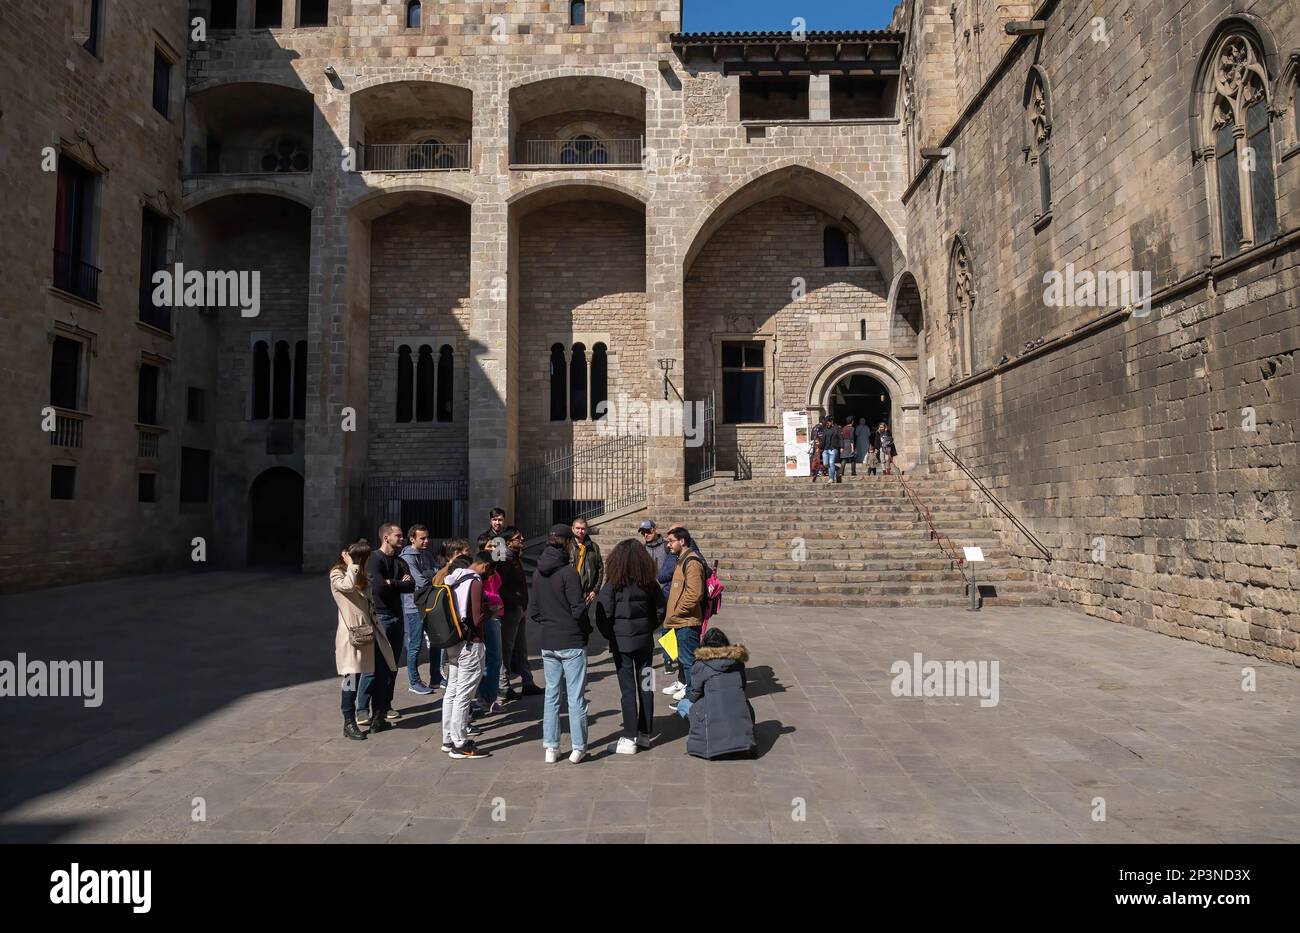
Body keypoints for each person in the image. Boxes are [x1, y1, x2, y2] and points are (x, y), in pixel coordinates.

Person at [530, 524, 591, 763]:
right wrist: (580, 627)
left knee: (552, 696)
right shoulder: (568, 572)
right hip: (570, 640)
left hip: (548, 640)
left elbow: (533, 611)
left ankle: (551, 747)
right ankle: (578, 747)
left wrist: (550, 619)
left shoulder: (537, 573)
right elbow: (578, 608)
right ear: (566, 543)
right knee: (575, 697)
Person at [596, 539, 661, 754]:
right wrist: (649, 627)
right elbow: (661, 609)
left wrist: (611, 634)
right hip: (645, 643)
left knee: (628, 689)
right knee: (647, 685)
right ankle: (645, 732)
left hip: (622, 644)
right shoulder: (649, 582)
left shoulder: (614, 583)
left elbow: (602, 612)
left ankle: (630, 735)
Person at [330, 540, 397, 740]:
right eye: (365, 558)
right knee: (351, 678)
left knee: (382, 671)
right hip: (353, 635)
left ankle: (379, 715)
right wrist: (352, 565)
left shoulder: (360, 574)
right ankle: (348, 721)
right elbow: (348, 587)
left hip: (372, 631)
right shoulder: (337, 574)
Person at [356, 523, 412, 730]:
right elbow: (378, 587)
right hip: (379, 617)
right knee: (373, 665)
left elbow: (411, 585)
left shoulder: (399, 561)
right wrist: (397, 583)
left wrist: (392, 583)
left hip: (397, 617)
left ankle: (385, 705)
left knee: (392, 665)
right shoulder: (374, 559)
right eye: (398, 535)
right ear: (386, 537)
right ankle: (363, 708)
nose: (402, 538)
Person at [441, 551, 494, 759]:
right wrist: (491, 610)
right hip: (470, 643)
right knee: (464, 694)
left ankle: (448, 739)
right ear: (485, 566)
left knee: (452, 691)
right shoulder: (474, 582)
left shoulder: (455, 577)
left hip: (453, 640)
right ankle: (460, 743)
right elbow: (476, 618)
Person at [672, 628, 756, 760]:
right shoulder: (737, 663)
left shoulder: (701, 665)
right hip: (742, 734)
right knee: (745, 702)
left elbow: (694, 696)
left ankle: (704, 732)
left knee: (683, 704)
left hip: (712, 728)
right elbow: (742, 688)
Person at [662, 526, 707, 704]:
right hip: (679, 621)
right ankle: (690, 696)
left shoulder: (692, 562)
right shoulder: (680, 559)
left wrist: (676, 612)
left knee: (690, 663)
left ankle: (692, 700)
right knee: (684, 661)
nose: (668, 546)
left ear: (682, 541)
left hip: (686, 622)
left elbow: (694, 594)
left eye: (671, 541)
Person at [400, 524, 439, 695]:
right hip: (414, 607)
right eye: (422, 538)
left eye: (427, 537)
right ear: (412, 539)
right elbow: (421, 582)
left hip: (429, 603)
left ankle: (436, 677)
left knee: (437, 641)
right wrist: (432, 576)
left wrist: (431, 575)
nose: (426, 541)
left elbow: (437, 572)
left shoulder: (426, 554)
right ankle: (414, 681)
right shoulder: (407, 558)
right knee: (415, 645)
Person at [496, 526, 534, 702]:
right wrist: (515, 601)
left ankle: (528, 682)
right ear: (509, 542)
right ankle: (504, 686)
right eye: (518, 537)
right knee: (507, 648)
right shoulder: (505, 559)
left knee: (521, 647)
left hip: (518, 609)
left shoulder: (514, 557)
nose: (522, 539)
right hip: (510, 610)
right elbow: (500, 586)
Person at [475, 533, 506, 714]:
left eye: (495, 547)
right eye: (490, 547)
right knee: (489, 659)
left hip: (495, 615)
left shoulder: (495, 569)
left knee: (495, 659)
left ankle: (490, 697)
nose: (494, 550)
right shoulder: (480, 573)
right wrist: (496, 599)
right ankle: (484, 698)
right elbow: (482, 594)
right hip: (487, 616)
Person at [571, 517, 603, 605]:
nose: (580, 531)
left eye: (583, 529)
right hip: (570, 592)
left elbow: (600, 570)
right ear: (572, 529)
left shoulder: (594, 547)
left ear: (586, 530)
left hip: (587, 595)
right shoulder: (567, 547)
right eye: (577, 528)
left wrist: (595, 590)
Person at [821, 415, 843, 483]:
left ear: (831, 422)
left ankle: (831, 478)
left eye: (828, 422)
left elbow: (840, 438)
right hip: (825, 448)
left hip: (833, 448)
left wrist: (841, 447)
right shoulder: (825, 429)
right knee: (825, 464)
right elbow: (823, 439)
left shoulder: (837, 428)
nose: (827, 424)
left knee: (831, 462)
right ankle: (837, 469)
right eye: (826, 423)